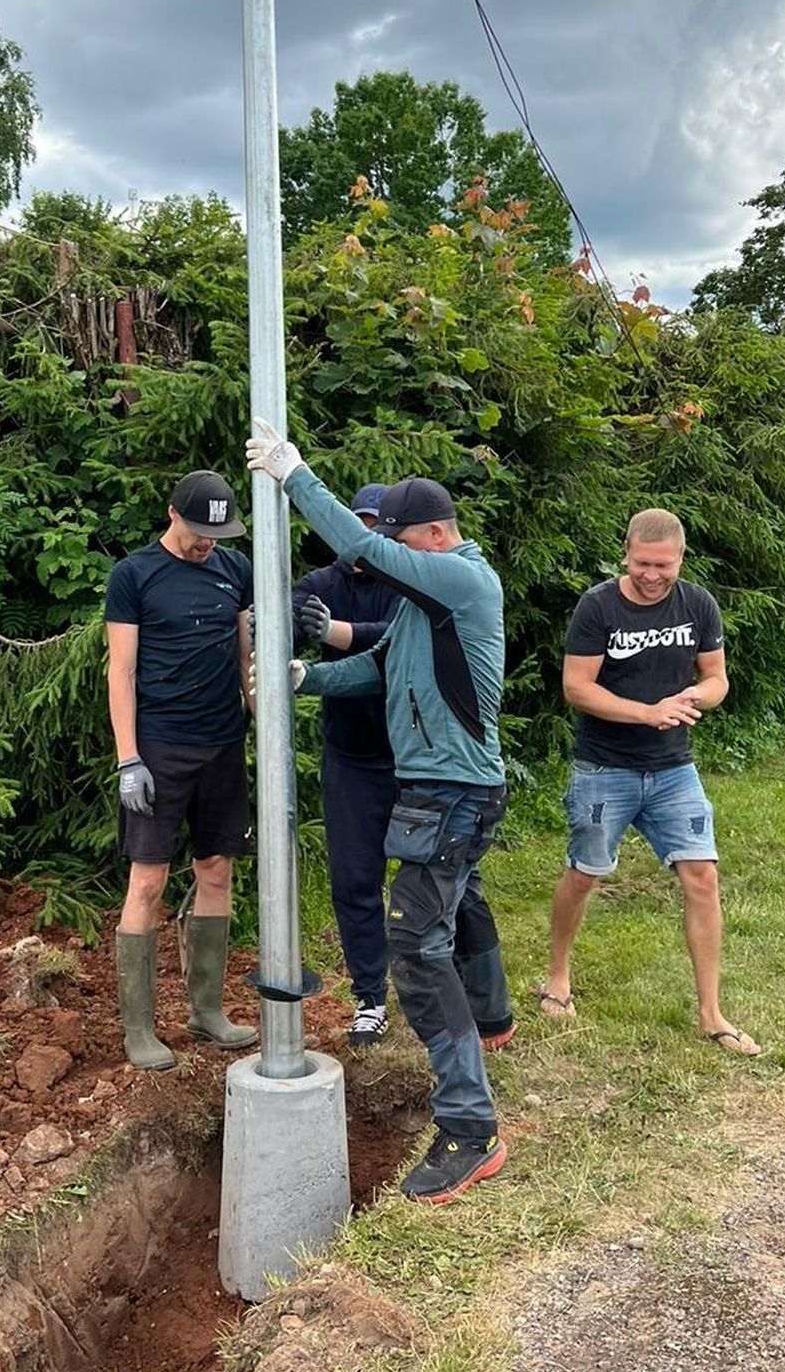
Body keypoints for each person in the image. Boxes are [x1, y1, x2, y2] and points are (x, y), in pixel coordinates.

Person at [246, 420, 514, 1205]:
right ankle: (492, 1020)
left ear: (432, 534)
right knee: (450, 913)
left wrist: (296, 474)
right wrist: (305, 679)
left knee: (418, 951)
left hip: (452, 792)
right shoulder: (425, 605)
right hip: (444, 791)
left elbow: (363, 550)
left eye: (399, 541)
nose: (387, 555)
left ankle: (470, 1130)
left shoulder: (462, 579)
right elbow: (376, 668)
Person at [543, 508, 760, 1058]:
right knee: (585, 874)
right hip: (604, 768)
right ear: (626, 554)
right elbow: (576, 688)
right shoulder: (598, 607)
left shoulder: (698, 604)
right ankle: (558, 975)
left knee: (703, 877)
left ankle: (711, 1014)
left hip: (673, 769)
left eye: (663, 565)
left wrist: (696, 696)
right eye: (642, 563)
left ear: (681, 559)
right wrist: (647, 713)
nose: (651, 575)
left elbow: (717, 677)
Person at [104, 469, 259, 1070]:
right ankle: (139, 1029)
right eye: (198, 532)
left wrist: (263, 722)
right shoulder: (135, 576)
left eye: (215, 535)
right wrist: (129, 758)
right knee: (148, 881)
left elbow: (245, 657)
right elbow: (122, 672)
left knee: (216, 870)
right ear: (172, 514)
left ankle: (206, 1010)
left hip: (222, 744)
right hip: (161, 749)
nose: (205, 544)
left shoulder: (234, 570)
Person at [291, 484, 401, 1049]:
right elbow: (286, 624)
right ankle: (370, 998)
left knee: (438, 879)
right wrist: (272, 626)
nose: (364, 538)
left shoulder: (408, 582)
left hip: (413, 757)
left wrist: (335, 633)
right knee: (355, 880)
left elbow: (395, 642)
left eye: (375, 529)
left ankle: (455, 988)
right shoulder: (320, 585)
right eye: (357, 525)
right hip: (351, 758)